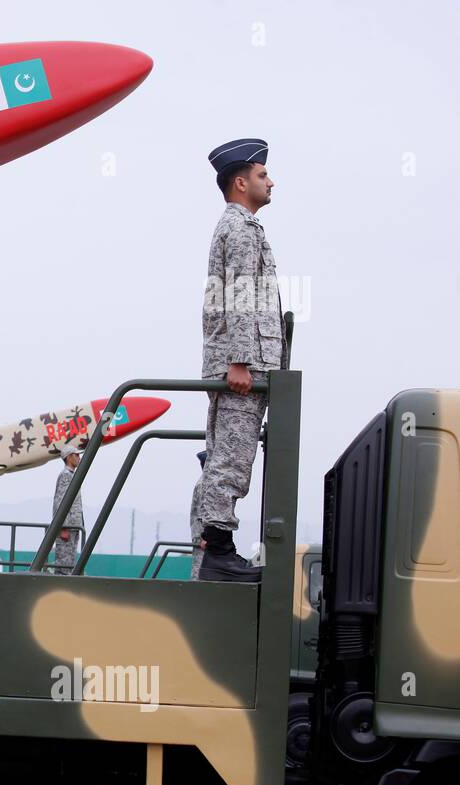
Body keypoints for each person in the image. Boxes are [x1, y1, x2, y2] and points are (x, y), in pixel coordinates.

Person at [194, 138, 289, 582]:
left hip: (246, 362)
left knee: (228, 455)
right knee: (231, 459)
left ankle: (216, 548)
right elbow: (240, 296)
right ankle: (218, 550)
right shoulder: (240, 228)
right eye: (262, 175)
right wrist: (239, 361)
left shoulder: (242, 227)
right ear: (240, 182)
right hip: (242, 367)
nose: (270, 181)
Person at [52, 442, 85, 573]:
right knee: (64, 563)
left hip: (74, 525)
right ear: (69, 457)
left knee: (69, 561)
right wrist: (62, 527)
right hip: (68, 527)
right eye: (76, 455)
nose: (79, 458)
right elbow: (60, 502)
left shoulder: (71, 475)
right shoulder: (65, 475)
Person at [189, 449, 208, 579]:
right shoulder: (204, 485)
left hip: (204, 539)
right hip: (203, 541)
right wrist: (205, 538)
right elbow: (202, 515)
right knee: (201, 575)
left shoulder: (205, 483)